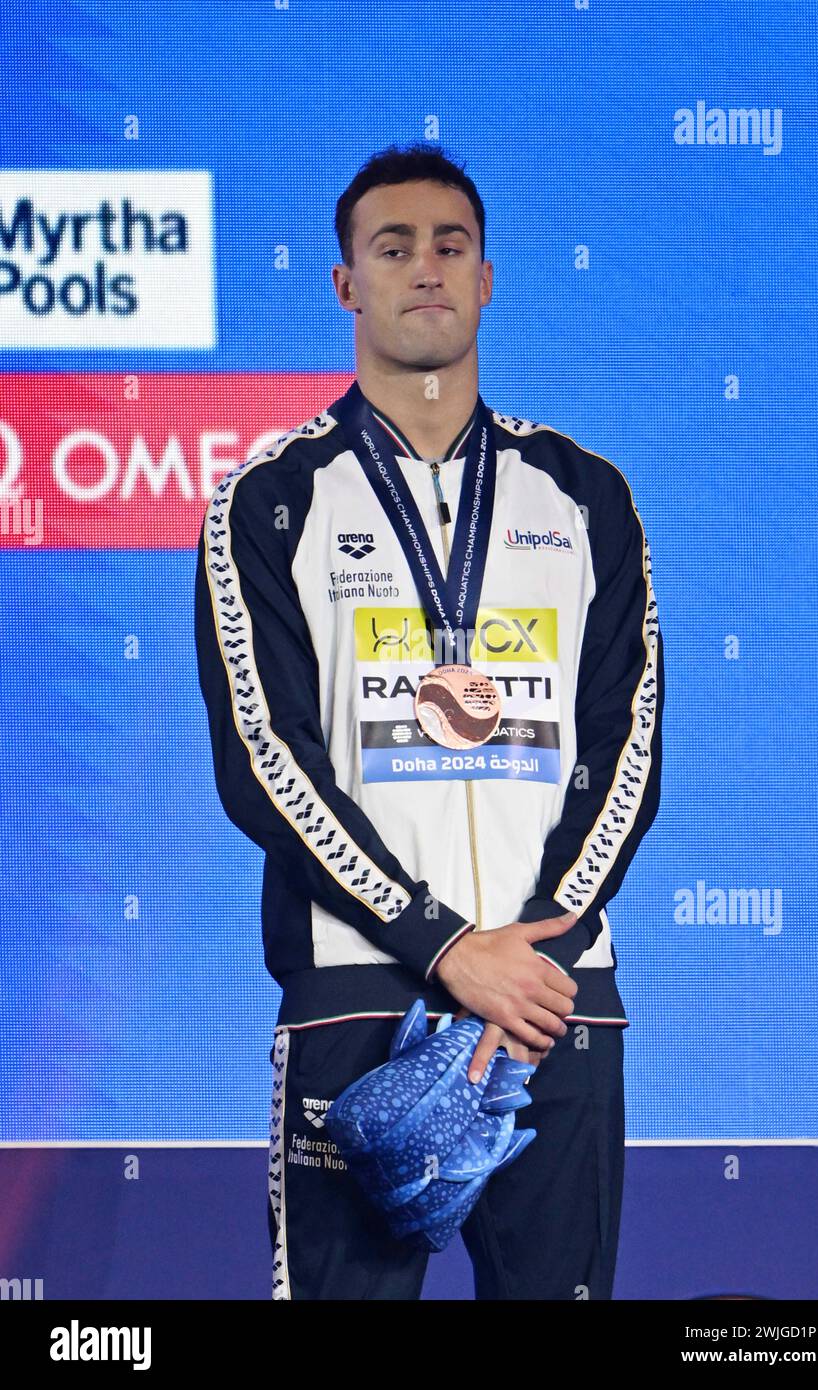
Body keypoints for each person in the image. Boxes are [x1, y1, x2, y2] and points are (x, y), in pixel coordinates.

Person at [194, 141, 664, 1300]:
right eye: (391, 246)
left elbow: (628, 743)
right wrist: (447, 946)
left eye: (449, 244)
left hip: (553, 995)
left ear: (487, 277)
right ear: (345, 282)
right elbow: (265, 762)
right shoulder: (269, 499)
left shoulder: (584, 493)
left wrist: (531, 946)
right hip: (359, 986)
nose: (424, 268)